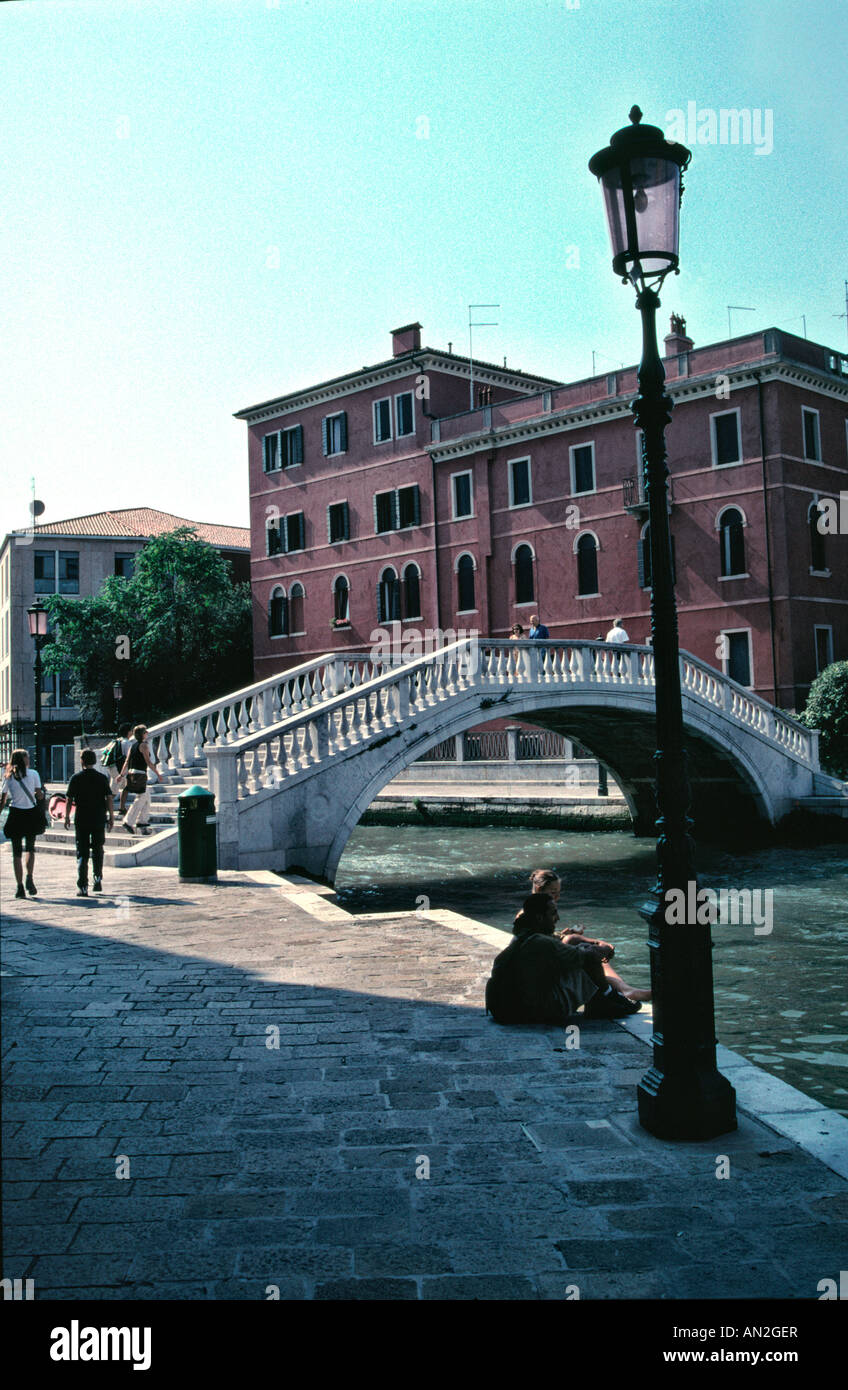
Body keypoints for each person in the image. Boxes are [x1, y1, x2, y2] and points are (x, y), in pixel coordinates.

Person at [485, 894, 640, 1024]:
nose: (557, 918)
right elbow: (586, 957)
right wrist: (604, 948)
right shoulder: (541, 943)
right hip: (527, 1012)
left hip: (504, 1010)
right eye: (553, 913)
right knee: (588, 955)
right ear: (539, 917)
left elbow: (561, 944)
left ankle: (605, 997)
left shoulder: (523, 936)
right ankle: (605, 999)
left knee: (579, 947)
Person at [529, 868, 651, 1003]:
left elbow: (543, 939)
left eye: (558, 893)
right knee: (581, 946)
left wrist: (561, 935)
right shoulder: (531, 915)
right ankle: (621, 991)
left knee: (580, 945)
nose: (557, 897)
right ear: (540, 891)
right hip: (543, 977)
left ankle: (624, 989)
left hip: (546, 966)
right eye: (553, 893)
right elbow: (539, 948)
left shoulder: (537, 911)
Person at [65, 748, 114, 896]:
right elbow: (109, 798)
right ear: (94, 760)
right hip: (98, 817)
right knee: (98, 848)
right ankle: (97, 878)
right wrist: (111, 816)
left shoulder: (76, 778)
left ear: (82, 761)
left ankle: (83, 885)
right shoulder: (102, 777)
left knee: (82, 852)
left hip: (82, 818)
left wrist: (67, 816)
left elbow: (69, 799)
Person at [1, 749, 47, 899]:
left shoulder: (8, 776)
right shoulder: (33, 774)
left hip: (15, 814)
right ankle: (30, 878)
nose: (29, 759)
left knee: (16, 853)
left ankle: (19, 886)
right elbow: (39, 795)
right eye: (27, 757)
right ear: (23, 759)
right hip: (30, 814)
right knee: (30, 848)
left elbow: (3, 800)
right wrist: (40, 796)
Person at [119, 724, 162, 835]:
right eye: (146, 732)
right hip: (140, 775)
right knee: (141, 798)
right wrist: (157, 773)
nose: (147, 733)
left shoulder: (132, 746)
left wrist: (121, 775)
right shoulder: (144, 746)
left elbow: (127, 762)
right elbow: (148, 762)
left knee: (146, 797)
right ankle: (128, 821)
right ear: (143, 734)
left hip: (132, 775)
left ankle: (142, 821)